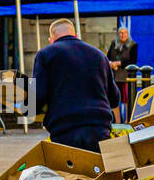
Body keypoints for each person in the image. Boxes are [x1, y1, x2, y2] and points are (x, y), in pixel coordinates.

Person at [32, 18, 119, 152]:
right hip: (100, 129)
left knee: (69, 173)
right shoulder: (100, 55)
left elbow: (38, 96)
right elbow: (114, 99)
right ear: (76, 35)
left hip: (65, 129)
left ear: (51, 39)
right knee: (98, 171)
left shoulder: (45, 54)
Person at [105, 26, 138, 120]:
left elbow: (133, 61)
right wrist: (111, 64)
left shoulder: (133, 45)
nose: (123, 35)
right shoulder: (113, 44)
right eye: (121, 33)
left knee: (127, 100)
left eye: (125, 33)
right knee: (114, 100)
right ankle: (118, 121)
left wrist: (119, 63)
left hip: (126, 77)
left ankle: (128, 120)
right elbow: (107, 57)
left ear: (128, 34)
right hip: (114, 77)